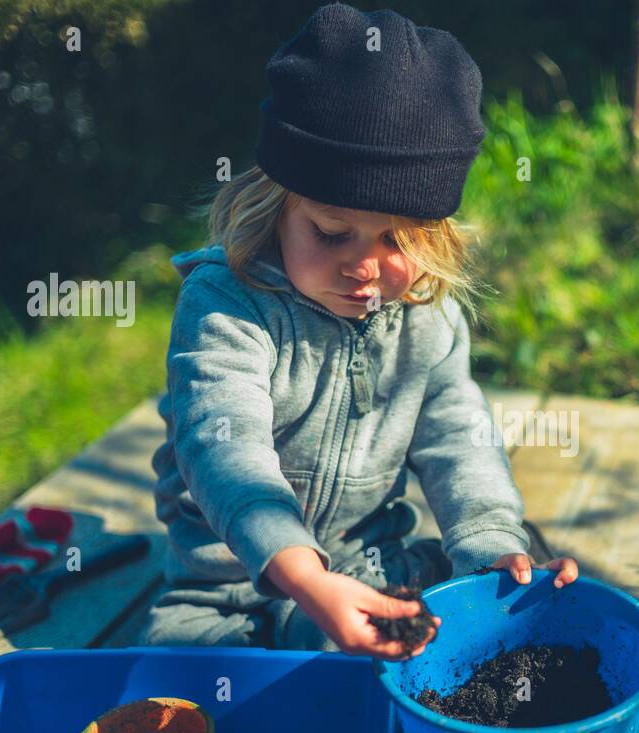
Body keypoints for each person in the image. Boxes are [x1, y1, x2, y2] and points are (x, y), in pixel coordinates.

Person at [139, 3, 579, 658]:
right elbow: (222, 449)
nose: (364, 266)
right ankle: (304, 635)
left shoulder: (428, 320)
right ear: (274, 205)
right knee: (179, 672)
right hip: (225, 591)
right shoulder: (227, 306)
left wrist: (491, 545)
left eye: (396, 239)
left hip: (370, 568)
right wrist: (304, 578)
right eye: (332, 232)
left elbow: (458, 437)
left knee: (499, 595)